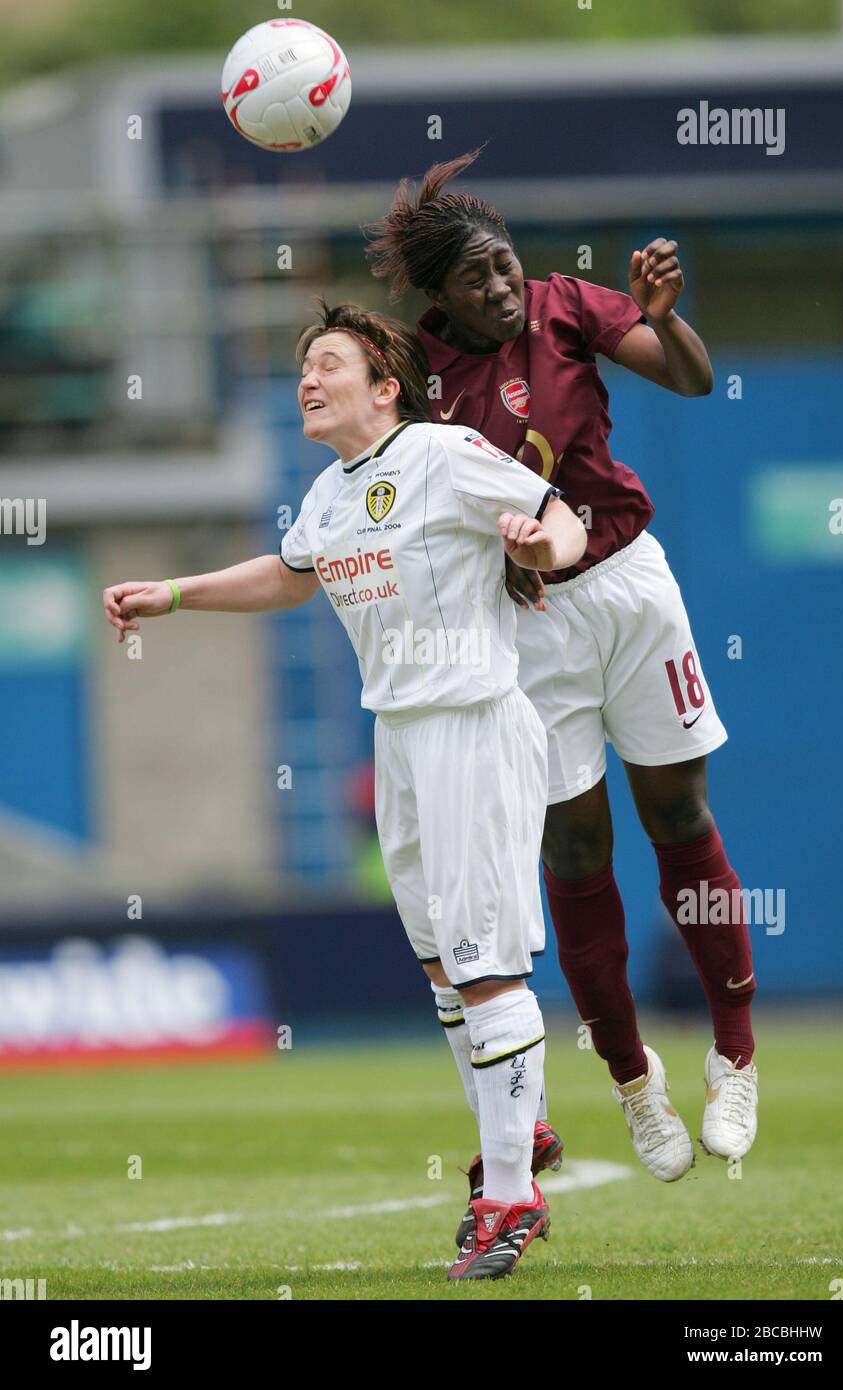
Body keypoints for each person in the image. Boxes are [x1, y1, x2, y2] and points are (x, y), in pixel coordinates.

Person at [102, 300, 586, 1280]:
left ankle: (508, 1197)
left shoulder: (443, 454)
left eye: (326, 365)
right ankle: (521, 1134)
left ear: (384, 385)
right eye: (299, 370)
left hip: (473, 721)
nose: (306, 382)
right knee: (444, 971)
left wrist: (540, 550)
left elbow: (557, 513)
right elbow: (289, 578)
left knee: (485, 963)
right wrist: (175, 593)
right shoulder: (328, 493)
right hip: (400, 738)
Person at [364, 149, 759, 1180]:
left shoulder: (565, 306)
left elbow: (690, 377)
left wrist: (663, 315)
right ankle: (634, 1087)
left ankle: (734, 1054)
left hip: (628, 588)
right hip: (527, 626)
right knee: (574, 852)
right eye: (474, 282)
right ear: (437, 298)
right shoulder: (413, 377)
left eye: (502, 268)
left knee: (678, 816)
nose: (499, 291)